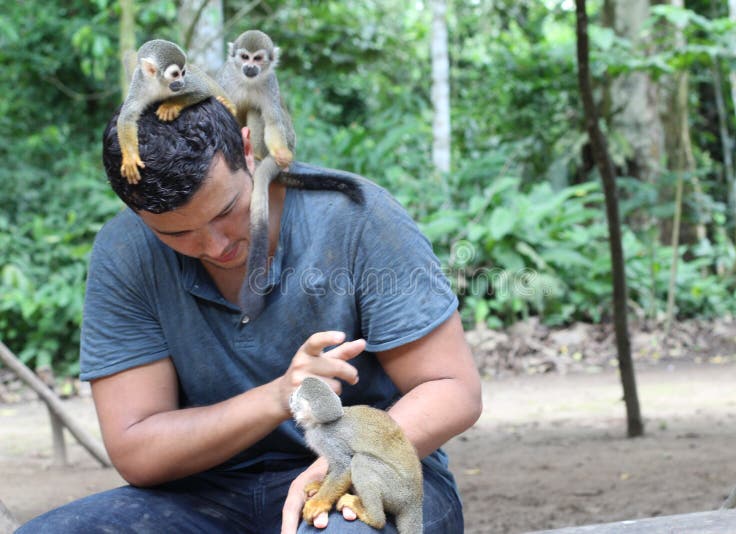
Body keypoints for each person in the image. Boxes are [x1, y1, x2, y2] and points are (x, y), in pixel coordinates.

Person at [17, 97, 482, 533]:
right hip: (202, 494)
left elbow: (453, 389)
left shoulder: (357, 216)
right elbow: (138, 448)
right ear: (136, 212)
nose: (216, 246)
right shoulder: (125, 252)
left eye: (228, 211)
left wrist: (332, 469)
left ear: (246, 149)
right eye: (179, 234)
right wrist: (280, 395)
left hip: (374, 470)